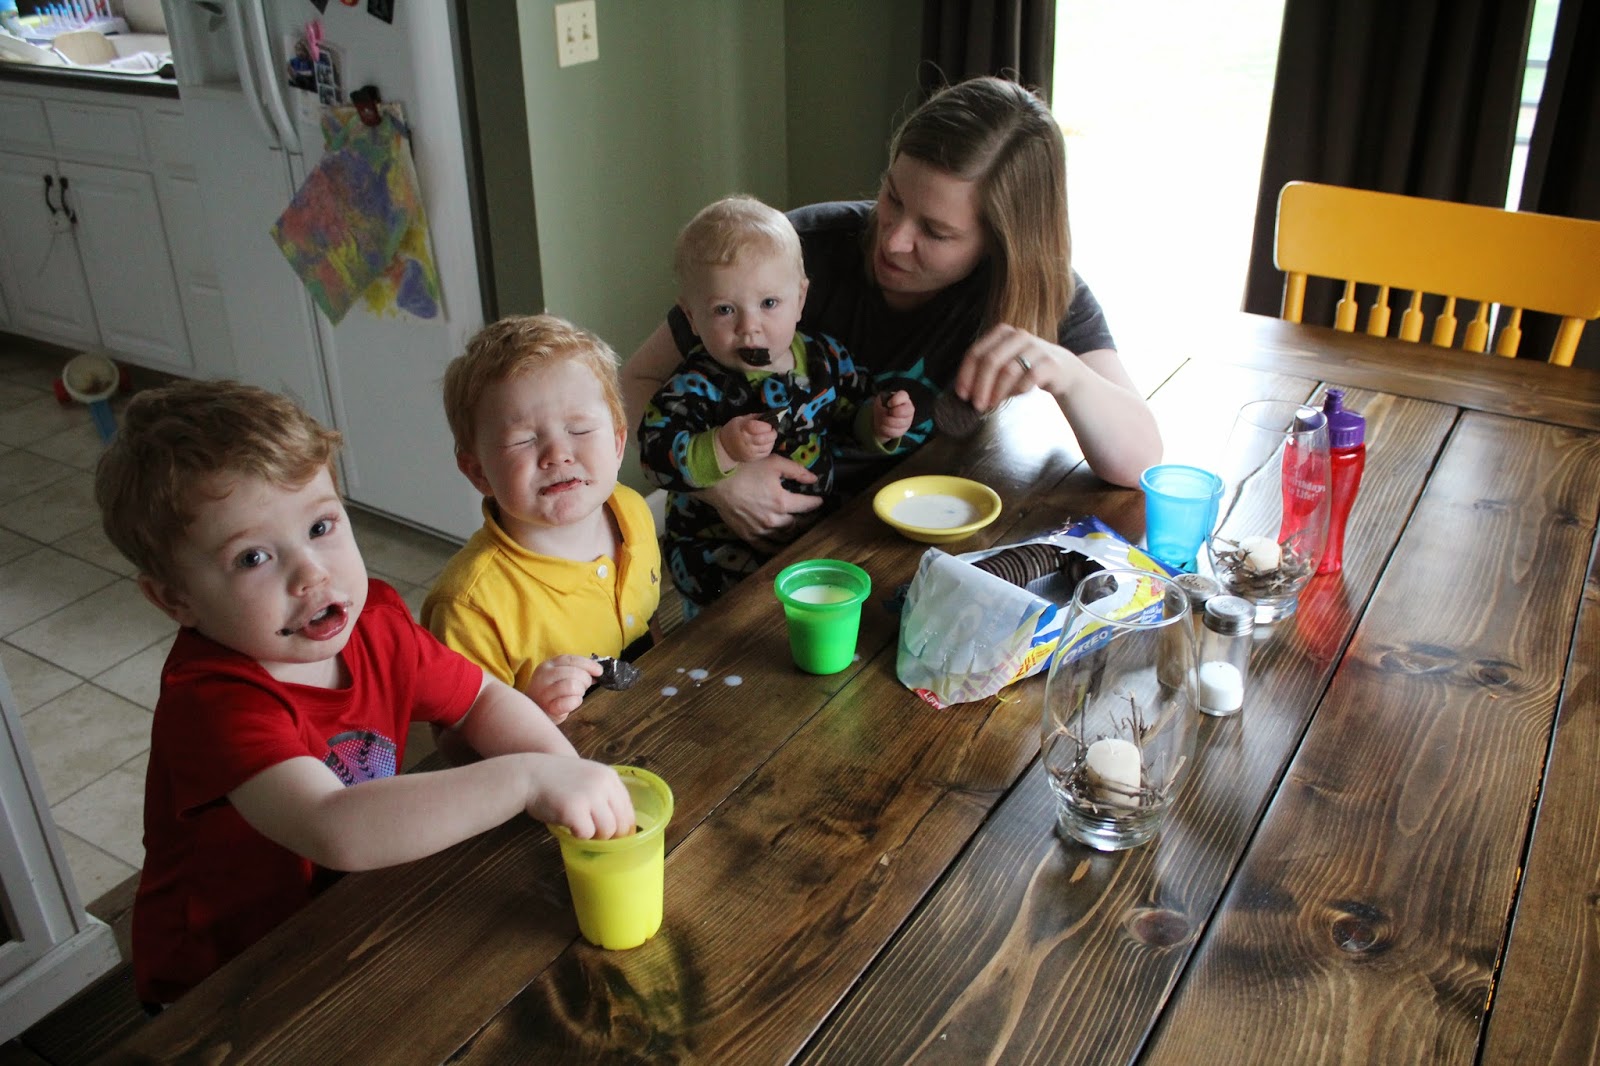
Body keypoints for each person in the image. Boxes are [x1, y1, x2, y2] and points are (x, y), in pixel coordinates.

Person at [95, 379, 633, 1005]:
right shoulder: (214, 701)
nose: (311, 572)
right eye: (252, 559)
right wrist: (527, 781)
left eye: (322, 525)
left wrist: (564, 773)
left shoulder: (374, 622)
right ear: (174, 598)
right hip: (228, 976)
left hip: (345, 913)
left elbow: (481, 698)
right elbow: (334, 826)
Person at [622, 76, 1162, 547]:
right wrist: (721, 481)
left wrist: (1067, 374)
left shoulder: (1035, 287)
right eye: (893, 196)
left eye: (936, 231)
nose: (894, 239)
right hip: (763, 547)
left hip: (914, 536)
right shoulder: (791, 252)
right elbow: (631, 384)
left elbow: (1141, 462)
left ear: (1000, 243)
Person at [638, 195, 915, 611]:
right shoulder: (695, 385)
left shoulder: (826, 359)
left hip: (811, 542)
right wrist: (722, 448)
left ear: (800, 300)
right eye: (724, 310)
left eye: (769, 304)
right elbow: (653, 452)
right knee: (729, 648)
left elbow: (849, 413)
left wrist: (877, 422)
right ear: (692, 317)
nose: (750, 328)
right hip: (716, 561)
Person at [424, 314, 661, 722]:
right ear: (479, 472)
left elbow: (648, 626)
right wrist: (527, 711)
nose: (557, 454)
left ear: (619, 443)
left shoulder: (633, 512)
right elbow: (456, 747)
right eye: (524, 440)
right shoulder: (469, 608)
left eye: (580, 429)